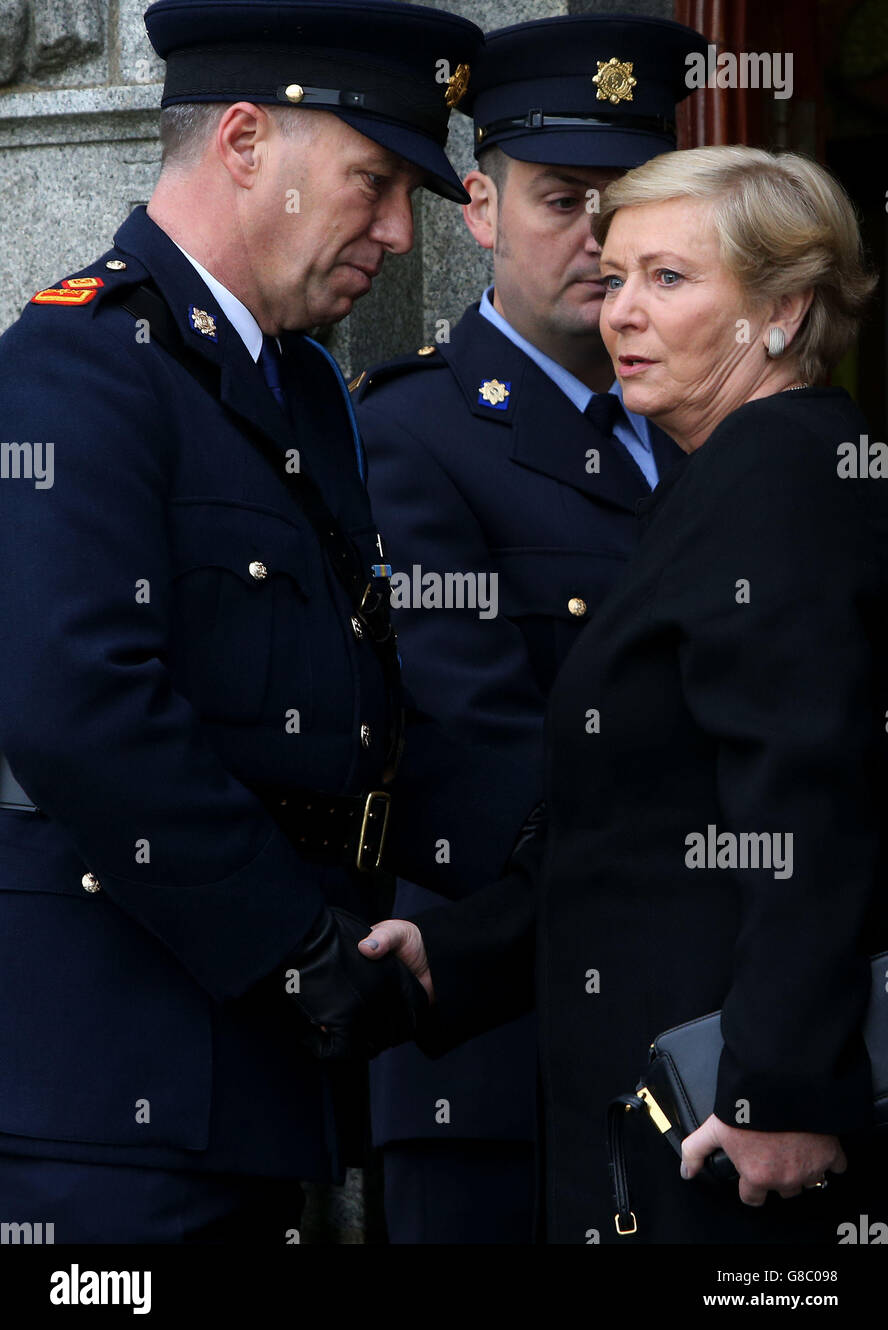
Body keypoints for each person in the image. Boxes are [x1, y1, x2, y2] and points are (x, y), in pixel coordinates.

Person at [0, 0, 481, 1244]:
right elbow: (73, 707)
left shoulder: (303, 391)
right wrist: (295, 945)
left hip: (257, 1082)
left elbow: (349, 723)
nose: (395, 233)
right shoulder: (80, 365)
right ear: (247, 141)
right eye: (373, 182)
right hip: (111, 1098)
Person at [360, 145, 888, 1244]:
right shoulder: (726, 471)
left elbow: (806, 794)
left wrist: (781, 1087)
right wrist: (460, 950)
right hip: (662, 1101)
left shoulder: (782, 470)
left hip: (727, 1140)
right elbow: (637, 815)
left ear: (783, 313)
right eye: (617, 276)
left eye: (670, 280)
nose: (621, 315)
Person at [353, 10, 704, 1246]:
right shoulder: (409, 433)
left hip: (706, 1055)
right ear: (479, 208)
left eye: (636, 204)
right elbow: (483, 736)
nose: (605, 244)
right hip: (498, 1062)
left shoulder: (712, 431)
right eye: (564, 199)